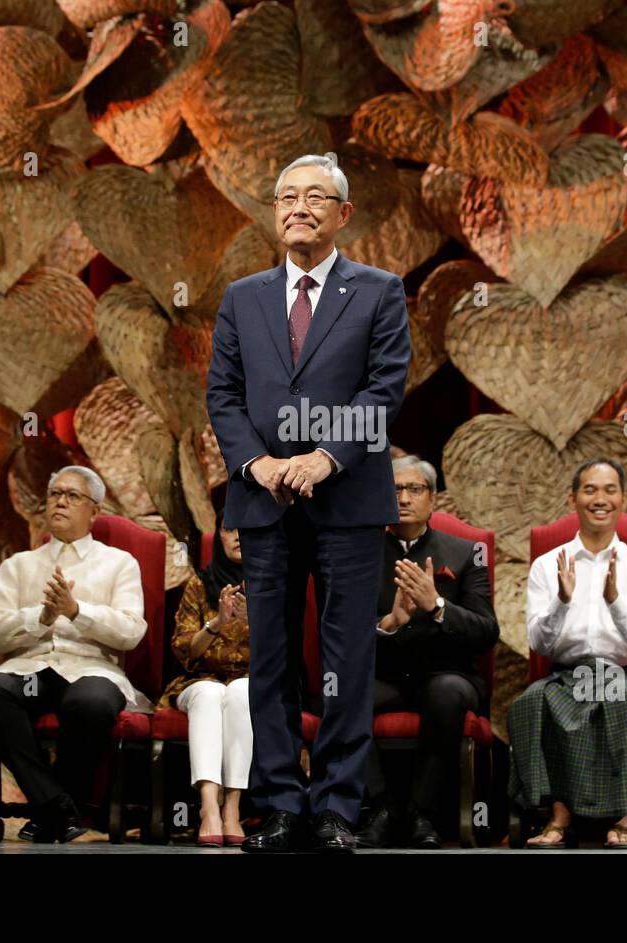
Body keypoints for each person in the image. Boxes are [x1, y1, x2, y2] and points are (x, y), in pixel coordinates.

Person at [205, 153, 411, 853]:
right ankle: (281, 805)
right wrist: (257, 462)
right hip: (264, 503)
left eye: (315, 197)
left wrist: (326, 457)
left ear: (343, 214)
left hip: (347, 500)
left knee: (345, 659)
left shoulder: (379, 291)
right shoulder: (243, 297)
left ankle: (335, 809)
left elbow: (382, 391)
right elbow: (223, 396)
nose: (299, 207)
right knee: (271, 659)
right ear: (273, 212)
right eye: (286, 196)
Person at [0, 465, 151, 843]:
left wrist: (75, 611)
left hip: (92, 668)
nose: (60, 502)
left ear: (95, 511)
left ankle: (49, 810)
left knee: (90, 702)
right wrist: (41, 617)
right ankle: (59, 811)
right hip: (32, 668)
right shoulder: (19, 565)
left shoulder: (119, 564)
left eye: (72, 496)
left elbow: (131, 631)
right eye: (55, 494)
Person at [508, 459, 627, 848]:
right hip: (566, 673)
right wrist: (562, 599)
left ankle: (622, 818)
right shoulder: (549, 565)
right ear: (573, 498)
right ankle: (557, 815)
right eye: (590, 490)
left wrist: (614, 602)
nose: (600, 499)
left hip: (619, 673)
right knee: (530, 702)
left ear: (623, 499)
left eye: (610, 490)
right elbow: (540, 644)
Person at [355, 456, 499, 848]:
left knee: (446, 693)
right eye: (395, 489)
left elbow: (487, 632)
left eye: (414, 489)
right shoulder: (360, 552)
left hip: (446, 673)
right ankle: (382, 808)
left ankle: (424, 814)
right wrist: (391, 622)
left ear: (433, 499)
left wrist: (438, 606)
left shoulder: (467, 553)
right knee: (345, 694)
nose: (403, 498)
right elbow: (341, 635)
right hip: (385, 673)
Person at [157, 523, 251, 847]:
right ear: (218, 538)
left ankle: (233, 808)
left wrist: (253, 623)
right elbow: (184, 651)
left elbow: (284, 654)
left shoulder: (272, 584)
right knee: (212, 693)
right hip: (198, 679)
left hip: (250, 680)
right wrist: (218, 622)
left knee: (241, 691)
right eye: (229, 529)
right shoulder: (199, 584)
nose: (238, 535)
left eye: (246, 527)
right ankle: (209, 807)